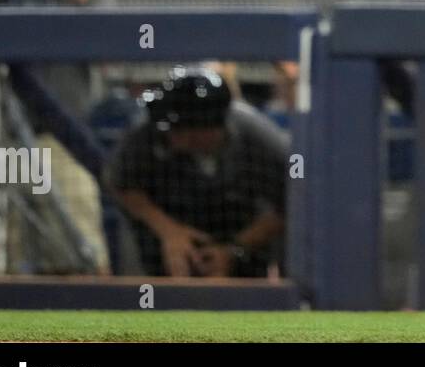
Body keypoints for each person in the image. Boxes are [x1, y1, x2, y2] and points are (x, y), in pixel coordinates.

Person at [104, 66, 289, 278]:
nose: (171, 135)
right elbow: (121, 183)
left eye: (180, 129)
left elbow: (289, 206)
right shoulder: (150, 129)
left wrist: (233, 251)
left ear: (209, 130)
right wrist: (169, 232)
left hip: (242, 231)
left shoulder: (259, 140)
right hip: (169, 223)